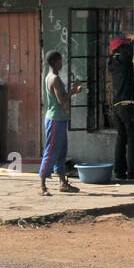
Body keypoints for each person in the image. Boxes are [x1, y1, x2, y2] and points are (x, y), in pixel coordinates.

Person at [39, 51, 82, 196]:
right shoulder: (55, 79)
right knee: (51, 152)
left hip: (59, 119)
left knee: (61, 152)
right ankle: (42, 186)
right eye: (61, 60)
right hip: (55, 120)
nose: (62, 63)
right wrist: (74, 90)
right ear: (56, 62)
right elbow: (62, 100)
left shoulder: (50, 77)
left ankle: (63, 183)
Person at [108, 37, 134, 181]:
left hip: (117, 105)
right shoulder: (123, 59)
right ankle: (133, 172)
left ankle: (119, 172)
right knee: (132, 138)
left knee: (121, 138)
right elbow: (131, 48)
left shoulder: (112, 62)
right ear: (121, 48)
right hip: (127, 104)